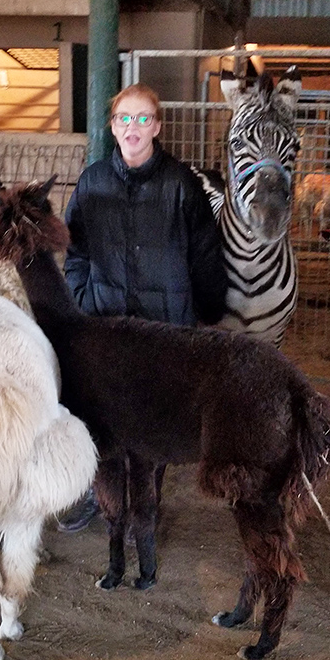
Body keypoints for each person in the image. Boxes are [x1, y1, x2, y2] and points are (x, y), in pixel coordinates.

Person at [57, 82, 228, 531]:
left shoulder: (182, 184)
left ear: (157, 126)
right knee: (99, 413)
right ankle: (98, 494)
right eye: (124, 118)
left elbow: (205, 253)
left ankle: (144, 506)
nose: (133, 127)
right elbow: (75, 250)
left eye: (142, 118)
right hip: (106, 322)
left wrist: (208, 309)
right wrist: (81, 298)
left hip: (164, 328)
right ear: (113, 128)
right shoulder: (93, 182)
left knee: (155, 419)